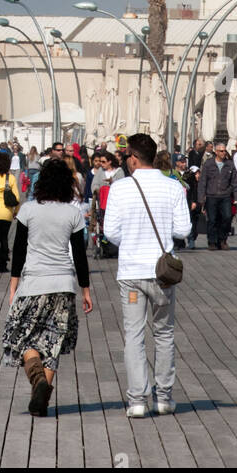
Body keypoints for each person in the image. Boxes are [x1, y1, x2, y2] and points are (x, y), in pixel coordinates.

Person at [103, 132, 191, 419]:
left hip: (131, 272)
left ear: (132, 157)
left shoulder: (120, 189)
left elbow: (110, 232)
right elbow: (183, 230)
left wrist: (131, 240)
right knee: (164, 333)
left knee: (134, 334)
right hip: (162, 273)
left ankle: (137, 400)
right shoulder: (173, 187)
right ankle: (163, 398)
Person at [2, 157, 92, 417]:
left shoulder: (28, 210)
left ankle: (38, 380)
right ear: (67, 185)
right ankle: (41, 398)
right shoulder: (73, 213)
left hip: (33, 282)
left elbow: (18, 251)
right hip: (64, 284)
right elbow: (80, 255)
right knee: (53, 342)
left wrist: (13, 284)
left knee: (20, 336)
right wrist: (85, 291)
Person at [196, 142, 237, 250]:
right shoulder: (208, 164)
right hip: (212, 195)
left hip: (225, 195)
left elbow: (235, 181)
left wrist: (236, 197)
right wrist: (201, 197)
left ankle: (222, 240)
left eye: (225, 150)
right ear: (216, 152)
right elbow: (203, 181)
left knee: (227, 217)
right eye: (221, 151)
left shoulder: (230, 164)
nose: (223, 152)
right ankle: (212, 242)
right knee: (212, 220)